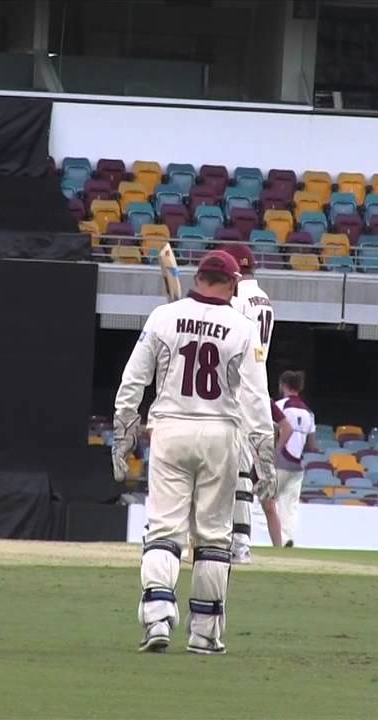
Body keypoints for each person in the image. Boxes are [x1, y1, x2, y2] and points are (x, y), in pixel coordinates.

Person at [113, 250, 276, 656]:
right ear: (233, 283)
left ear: (198, 276)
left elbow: (133, 379)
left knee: (164, 530)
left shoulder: (163, 317)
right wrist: (264, 453)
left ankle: (157, 616)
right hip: (222, 432)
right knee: (214, 537)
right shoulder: (242, 326)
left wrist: (123, 431)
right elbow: (256, 397)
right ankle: (204, 632)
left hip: (169, 427)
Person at [223, 242, 275, 564]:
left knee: (238, 472)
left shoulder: (237, 299)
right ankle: (237, 540)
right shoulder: (265, 299)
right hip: (257, 381)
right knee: (241, 470)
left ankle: (238, 541)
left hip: (238, 387)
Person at [272, 370, 318, 548]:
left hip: (279, 461)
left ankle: (278, 538)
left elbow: (273, 429)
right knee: (289, 505)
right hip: (297, 465)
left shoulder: (280, 405)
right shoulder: (309, 412)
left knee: (265, 501)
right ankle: (287, 538)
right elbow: (312, 445)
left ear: (283, 385)